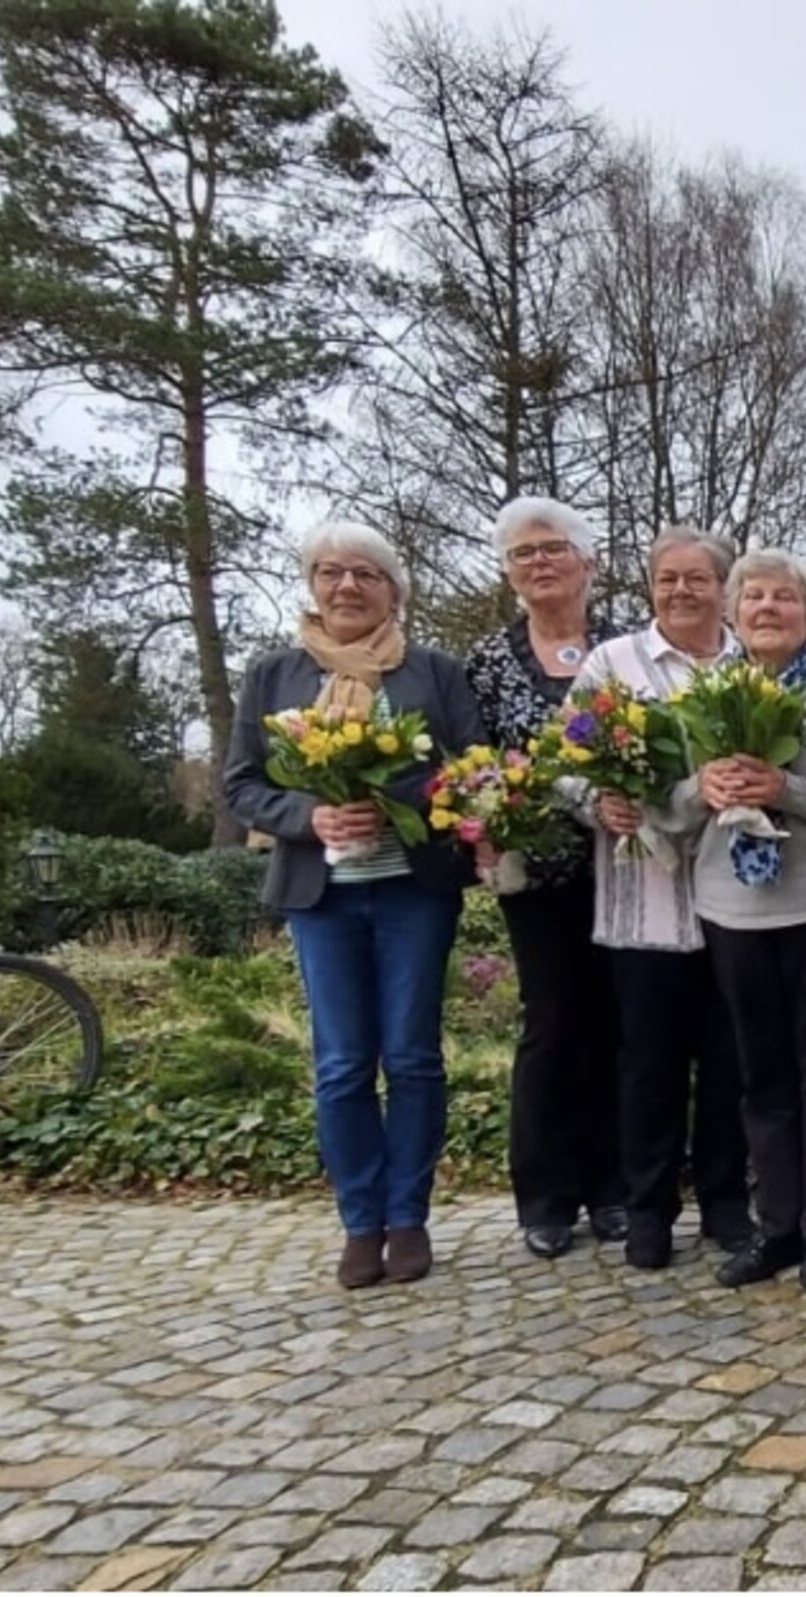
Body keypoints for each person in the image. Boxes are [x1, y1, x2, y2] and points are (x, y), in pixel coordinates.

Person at [224, 522, 487, 1290]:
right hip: (321, 895)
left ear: (394, 590)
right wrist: (312, 814)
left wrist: (396, 793)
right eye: (331, 572)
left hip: (412, 889)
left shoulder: (432, 672)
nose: (346, 586)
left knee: (410, 1057)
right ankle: (359, 1221)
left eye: (366, 573)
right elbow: (241, 783)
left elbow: (471, 771)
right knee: (340, 1064)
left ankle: (408, 1215)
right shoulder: (275, 674)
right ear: (312, 585)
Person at [663, 549, 806, 1293]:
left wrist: (788, 789)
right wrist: (703, 787)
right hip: (734, 910)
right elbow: (663, 814)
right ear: (731, 612)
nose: (767, 607)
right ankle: (778, 1227)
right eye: (753, 595)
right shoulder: (701, 699)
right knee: (759, 1076)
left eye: (784, 597)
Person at [574, 526, 753, 1269]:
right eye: (666, 579)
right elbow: (568, 761)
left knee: (730, 1060)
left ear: (723, 587)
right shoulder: (613, 664)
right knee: (649, 1064)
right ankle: (649, 1208)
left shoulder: (751, 667)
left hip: (738, 901)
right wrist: (596, 800)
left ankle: (725, 1202)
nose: (681, 591)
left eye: (697, 579)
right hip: (643, 901)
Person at [464, 497, 624, 1261]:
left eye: (553, 549)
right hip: (540, 870)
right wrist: (490, 828)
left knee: (624, 1023)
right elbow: (472, 766)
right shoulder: (489, 662)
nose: (539, 563)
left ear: (587, 562)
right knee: (554, 1022)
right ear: (508, 572)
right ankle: (548, 1194)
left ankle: (615, 1184)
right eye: (523, 554)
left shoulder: (623, 649)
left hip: (629, 865)